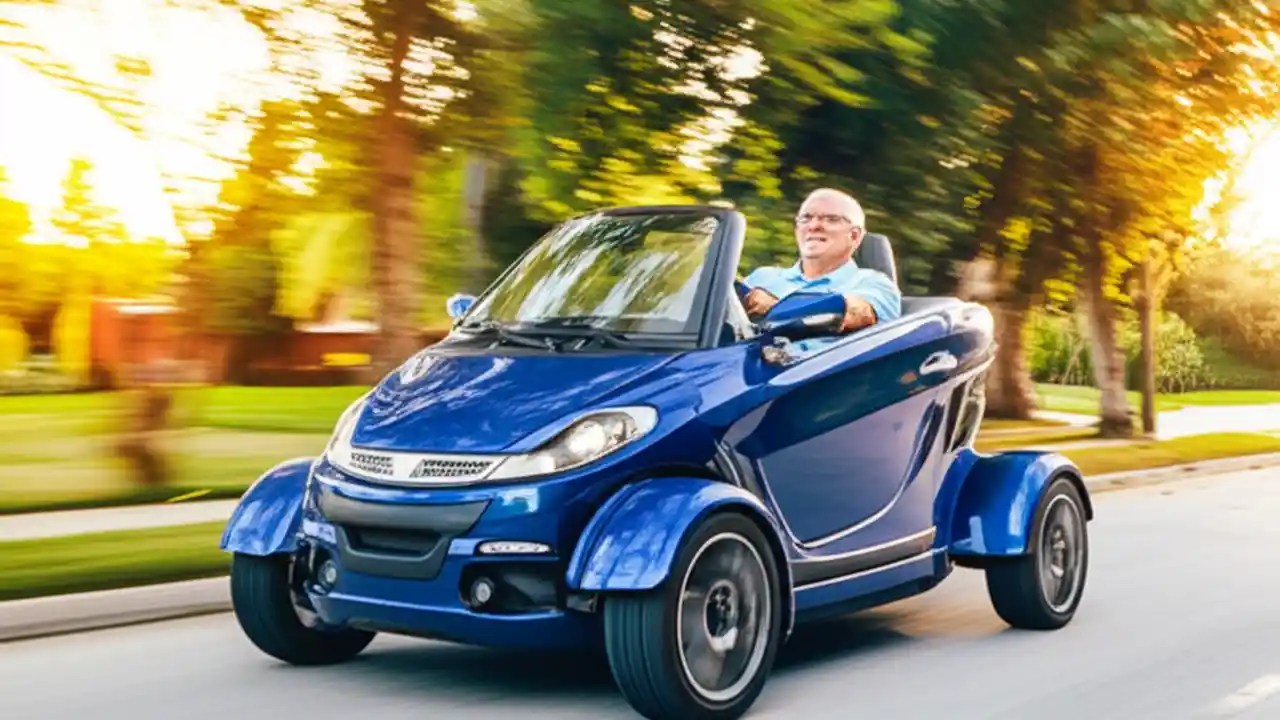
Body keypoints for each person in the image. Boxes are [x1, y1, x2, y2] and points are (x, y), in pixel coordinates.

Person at [741, 188, 901, 335]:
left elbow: (853, 313)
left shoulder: (875, 284)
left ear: (854, 235)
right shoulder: (761, 277)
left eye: (831, 219)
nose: (814, 225)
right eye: (806, 218)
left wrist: (776, 309)